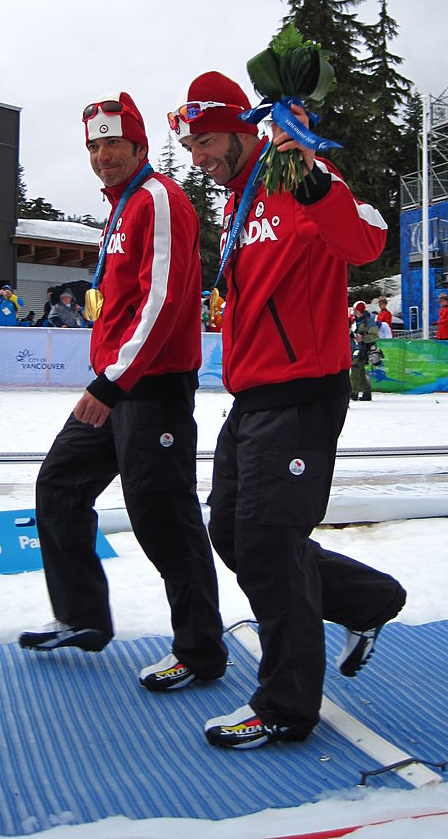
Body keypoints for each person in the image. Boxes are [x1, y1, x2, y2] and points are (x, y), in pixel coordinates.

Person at [168, 72, 406, 750]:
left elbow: (367, 240)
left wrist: (316, 182)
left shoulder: (297, 176)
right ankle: (366, 599)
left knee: (270, 543)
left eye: (206, 141)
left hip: (302, 390)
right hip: (254, 393)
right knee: (232, 534)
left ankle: (285, 705)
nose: (198, 157)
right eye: (190, 146)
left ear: (241, 129)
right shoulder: (239, 199)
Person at [19, 91, 227, 696]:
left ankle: (200, 650)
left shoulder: (157, 198)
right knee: (59, 486)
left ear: (138, 147)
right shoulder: (122, 208)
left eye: (113, 143)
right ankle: (82, 616)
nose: (102, 155)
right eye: (94, 146)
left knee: (164, 518)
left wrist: (111, 382)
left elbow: (164, 301)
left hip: (150, 388)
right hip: (118, 386)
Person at [350, 301, 379, 401]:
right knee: (360, 370)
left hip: (363, 348)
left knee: (355, 367)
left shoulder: (369, 321)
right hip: (355, 347)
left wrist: (362, 338)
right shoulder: (355, 321)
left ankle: (353, 393)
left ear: (358, 310)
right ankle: (366, 393)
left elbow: (375, 336)